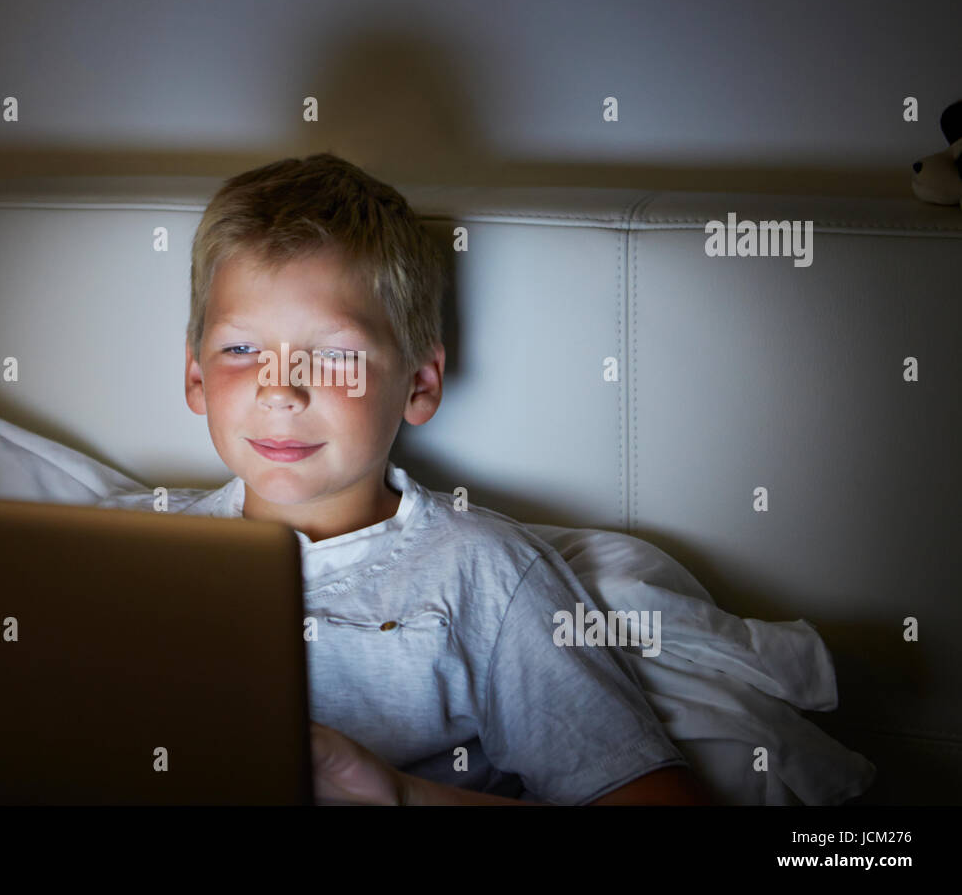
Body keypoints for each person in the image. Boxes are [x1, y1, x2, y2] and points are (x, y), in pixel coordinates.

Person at [97, 152, 713, 805]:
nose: (279, 390)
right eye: (242, 349)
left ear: (419, 383)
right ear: (196, 374)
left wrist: (395, 794)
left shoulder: (484, 575)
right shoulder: (127, 551)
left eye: (333, 355)